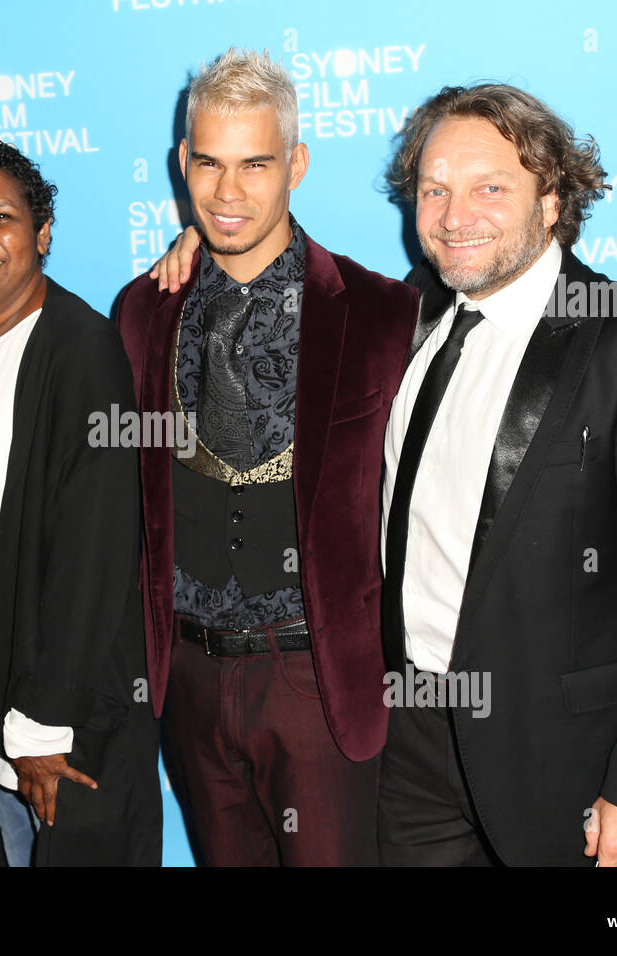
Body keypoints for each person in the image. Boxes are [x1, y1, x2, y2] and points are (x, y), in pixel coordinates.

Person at [378, 83, 617, 866]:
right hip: (406, 746)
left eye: (490, 188)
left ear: (552, 200)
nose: (452, 215)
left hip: (567, 760)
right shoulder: (396, 319)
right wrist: (208, 244)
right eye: (434, 189)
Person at [117, 48, 418, 865]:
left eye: (255, 163)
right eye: (208, 162)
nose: (227, 191)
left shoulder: (386, 313)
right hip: (188, 680)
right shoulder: (144, 310)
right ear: (182, 164)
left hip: (319, 678)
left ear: (297, 165)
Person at [0, 138, 161, 866]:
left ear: (43, 231)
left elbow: (94, 550)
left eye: (1, 216)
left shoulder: (81, 350)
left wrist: (43, 728)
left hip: (58, 723)